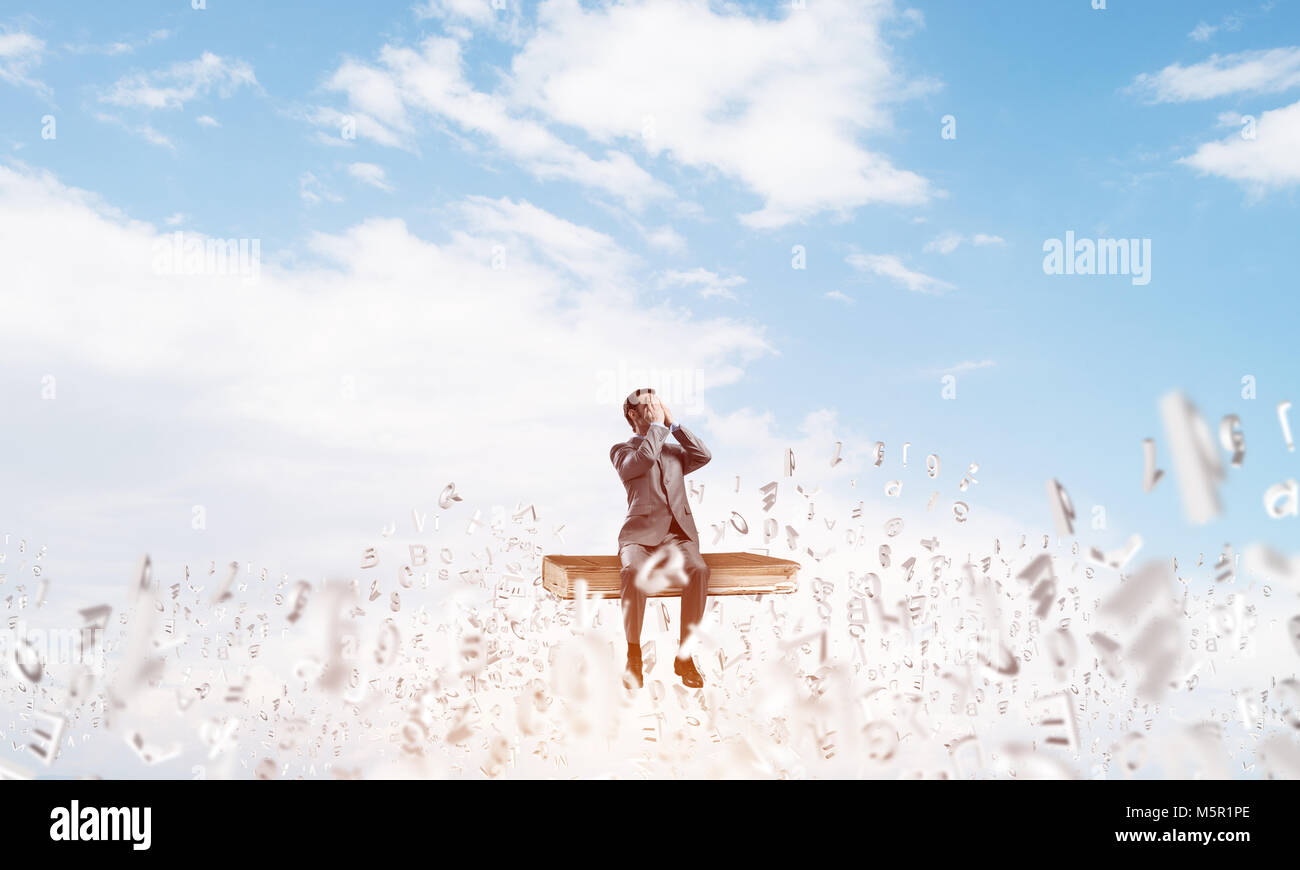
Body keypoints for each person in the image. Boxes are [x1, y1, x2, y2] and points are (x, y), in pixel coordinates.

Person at [610, 388, 711, 689]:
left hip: (677, 535)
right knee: (632, 572)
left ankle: (685, 656)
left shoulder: (673, 451)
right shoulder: (622, 451)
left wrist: (673, 426)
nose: (655, 408)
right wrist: (656, 428)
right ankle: (634, 655)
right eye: (648, 405)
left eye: (657, 403)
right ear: (632, 413)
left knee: (700, 570)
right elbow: (641, 462)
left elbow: (703, 455)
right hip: (639, 536)